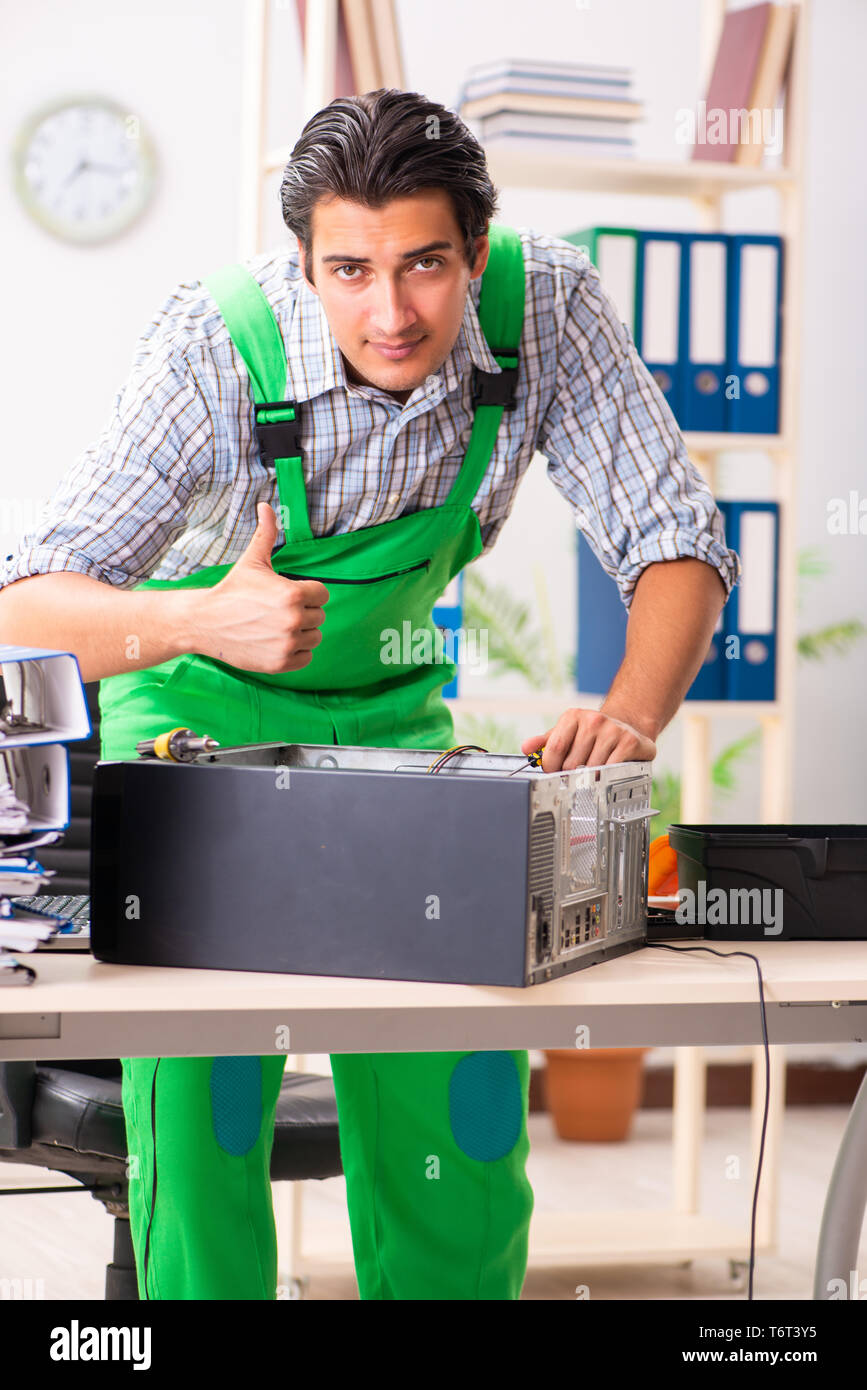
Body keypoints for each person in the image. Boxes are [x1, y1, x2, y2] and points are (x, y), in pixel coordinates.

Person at [0, 88, 739, 1300]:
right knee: (202, 1112)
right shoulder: (214, 346)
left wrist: (633, 716)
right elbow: (20, 609)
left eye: (425, 267)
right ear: (304, 261)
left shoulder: (543, 305)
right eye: (348, 269)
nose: (389, 313)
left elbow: (678, 536)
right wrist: (199, 616)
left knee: (454, 1096)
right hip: (197, 735)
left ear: (477, 250)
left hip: (397, 738)